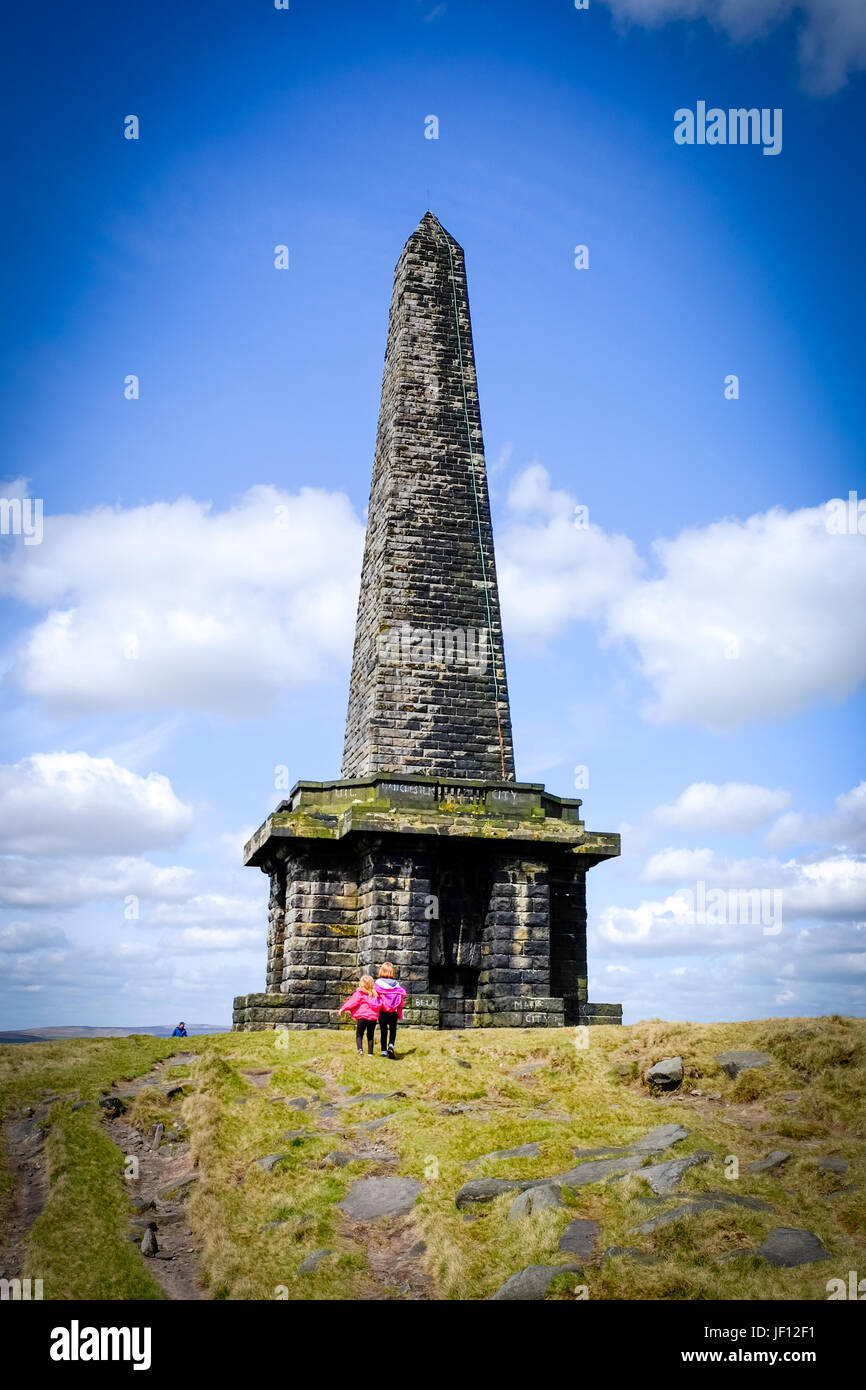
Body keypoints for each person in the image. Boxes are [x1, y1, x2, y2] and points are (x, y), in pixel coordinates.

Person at [338, 975, 383, 1056]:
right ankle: (370, 1054)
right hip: (372, 1018)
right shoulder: (375, 995)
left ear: (361, 984)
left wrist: (342, 1009)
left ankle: (360, 1050)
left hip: (362, 1017)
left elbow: (351, 1002)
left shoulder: (360, 993)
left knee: (359, 1034)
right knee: (370, 1036)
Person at [373, 962, 406, 1059]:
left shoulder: (377, 985)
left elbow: (375, 999)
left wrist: (374, 1012)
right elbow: (401, 1002)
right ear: (392, 972)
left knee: (383, 1031)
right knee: (393, 1030)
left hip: (382, 1012)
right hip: (393, 1012)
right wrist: (399, 1014)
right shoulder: (396, 986)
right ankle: (391, 1046)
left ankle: (383, 1051)